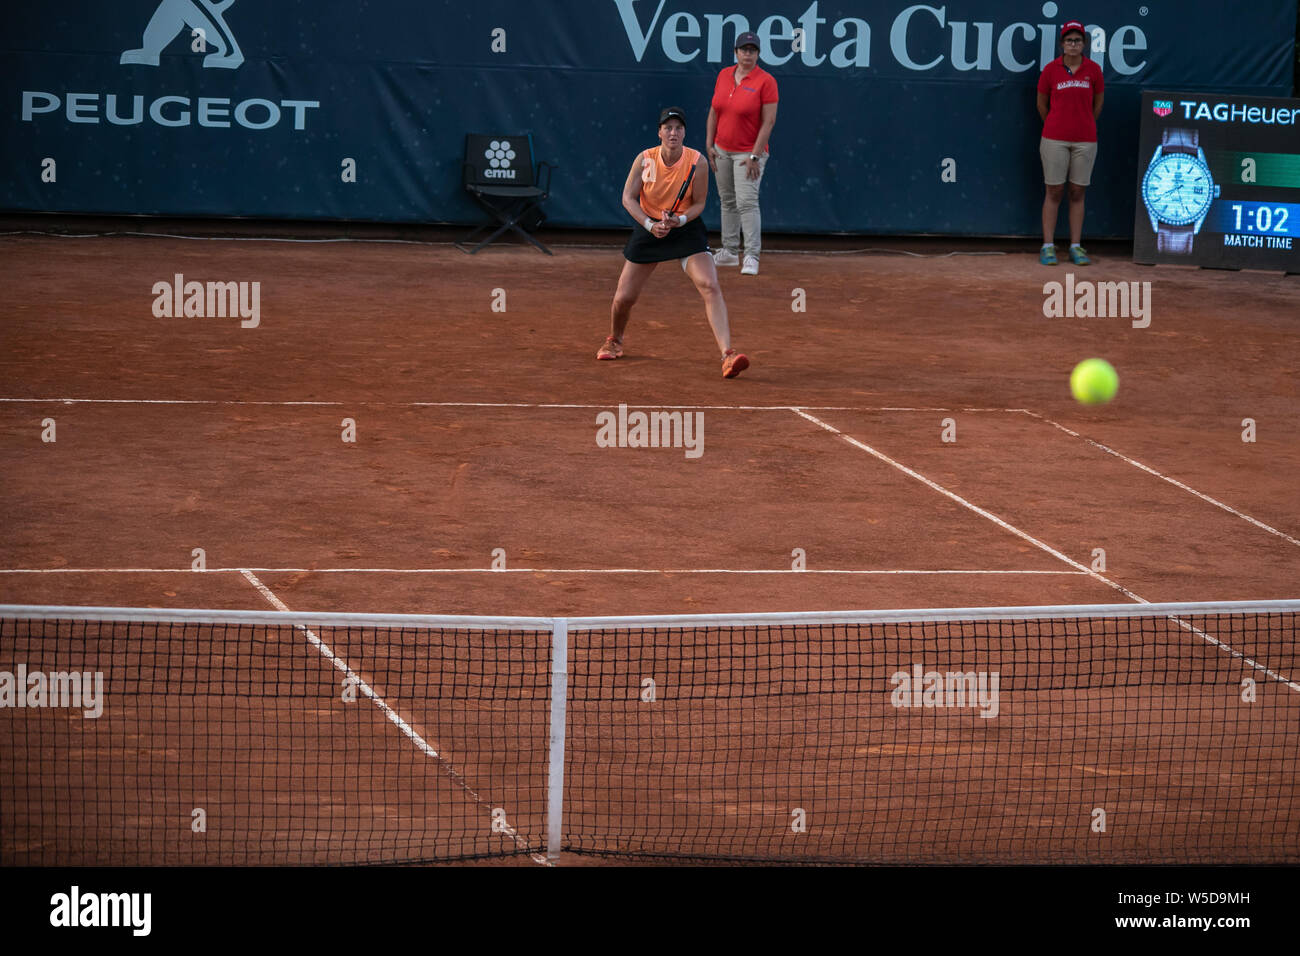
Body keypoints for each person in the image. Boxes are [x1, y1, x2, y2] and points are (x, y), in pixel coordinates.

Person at [596, 107, 749, 379]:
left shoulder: (697, 162)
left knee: (709, 285)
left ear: (684, 132)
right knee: (624, 298)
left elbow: (700, 203)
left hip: (685, 228)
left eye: (678, 128)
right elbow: (628, 198)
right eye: (668, 128)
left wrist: (678, 220)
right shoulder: (644, 159)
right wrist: (649, 225)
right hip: (649, 227)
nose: (673, 132)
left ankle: (728, 354)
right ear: (659, 132)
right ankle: (615, 340)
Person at [706, 31, 779, 276]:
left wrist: (755, 156)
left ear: (758, 54)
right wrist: (709, 144)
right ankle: (728, 251)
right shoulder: (723, 75)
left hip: (748, 154)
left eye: (752, 50)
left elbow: (768, 123)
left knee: (746, 202)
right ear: (736, 52)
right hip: (721, 150)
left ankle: (751, 255)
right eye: (743, 49)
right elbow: (714, 111)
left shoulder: (766, 81)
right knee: (727, 202)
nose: (747, 54)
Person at [1036, 19, 1104, 266]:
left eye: (1077, 40)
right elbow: (1041, 104)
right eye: (1068, 40)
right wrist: (1056, 124)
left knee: (1077, 192)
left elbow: (1098, 102)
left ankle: (1076, 247)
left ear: (1083, 44)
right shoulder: (1050, 70)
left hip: (1085, 140)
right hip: (1054, 139)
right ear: (1062, 44)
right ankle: (1048, 246)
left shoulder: (1094, 70)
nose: (1073, 44)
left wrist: (1084, 122)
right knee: (1054, 191)